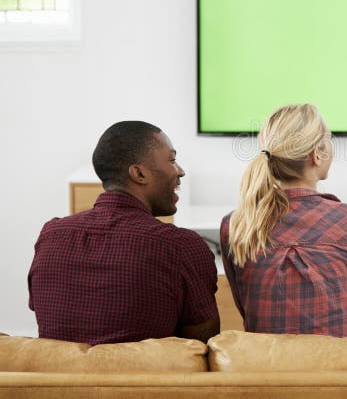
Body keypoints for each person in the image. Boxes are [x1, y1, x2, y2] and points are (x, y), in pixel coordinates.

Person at [28, 121, 220, 345]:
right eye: (172, 160)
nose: (180, 171)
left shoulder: (51, 235)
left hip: (61, 379)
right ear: (138, 173)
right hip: (150, 379)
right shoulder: (181, 246)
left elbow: (42, 314)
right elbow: (202, 345)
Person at [220, 104, 347, 337]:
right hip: (342, 367)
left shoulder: (236, 225)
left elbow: (247, 308)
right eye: (329, 139)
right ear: (316, 154)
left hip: (268, 366)